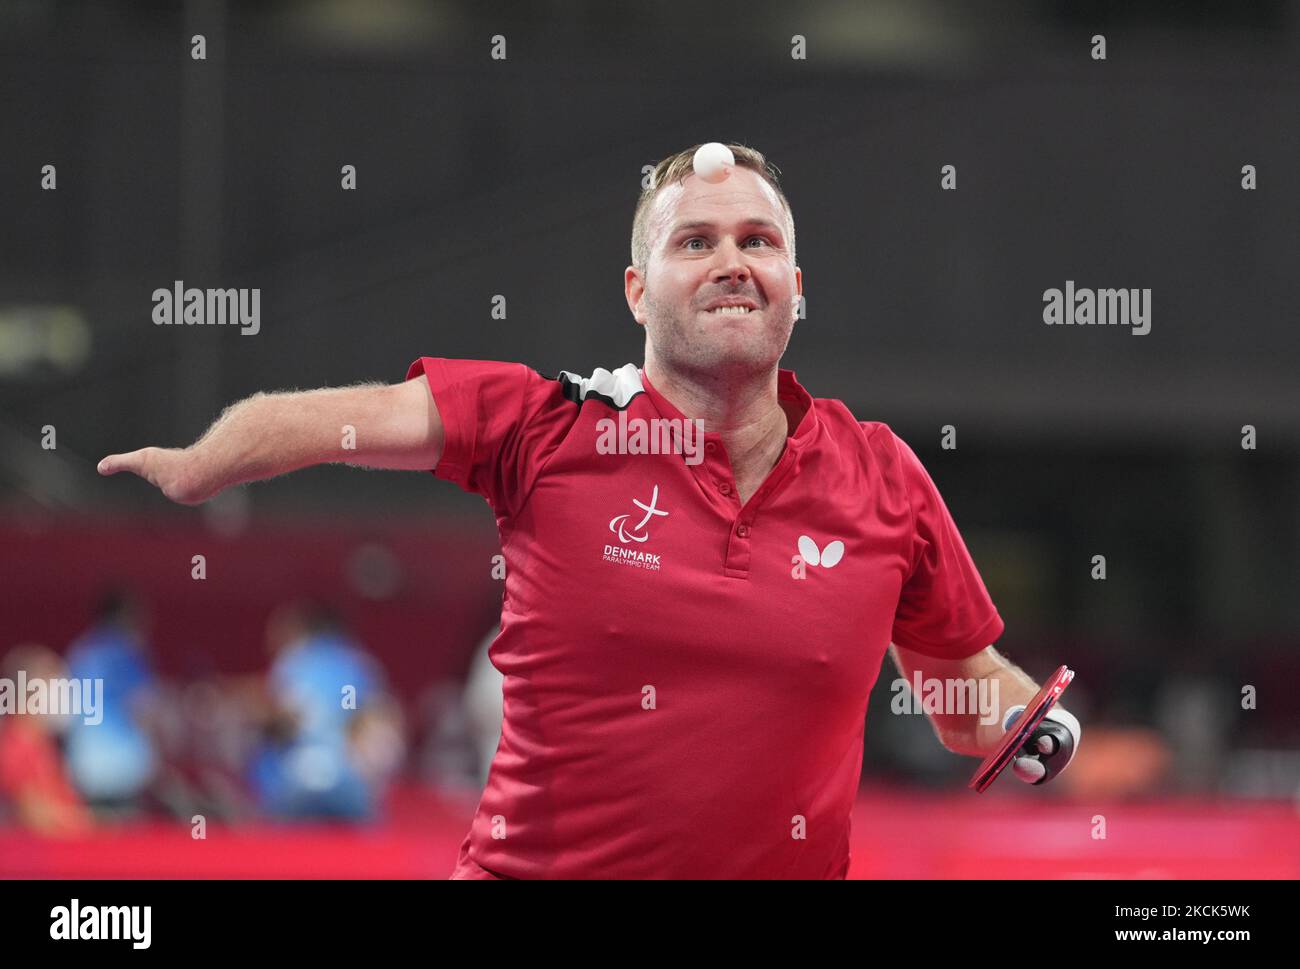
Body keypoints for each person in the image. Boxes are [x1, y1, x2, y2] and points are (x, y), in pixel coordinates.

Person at [98, 142, 1080, 878]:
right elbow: (333, 420)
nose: (731, 261)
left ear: (795, 285)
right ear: (635, 290)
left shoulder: (883, 476)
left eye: (757, 241)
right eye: (693, 242)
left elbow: (958, 693)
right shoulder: (543, 424)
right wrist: (200, 465)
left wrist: (1028, 724)